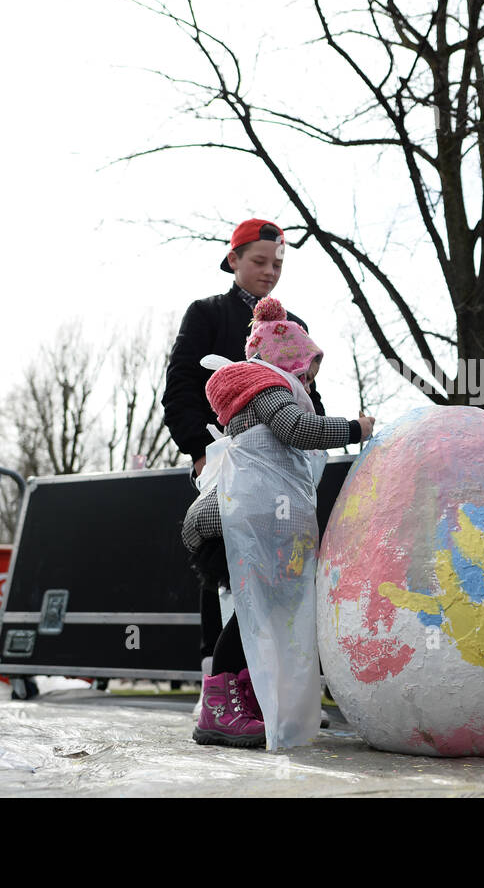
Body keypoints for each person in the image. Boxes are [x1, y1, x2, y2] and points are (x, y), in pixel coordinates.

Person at [183, 296, 373, 748]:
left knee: (265, 611)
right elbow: (299, 431)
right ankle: (218, 705)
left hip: (248, 522)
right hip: (230, 521)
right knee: (252, 612)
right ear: (287, 361)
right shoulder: (266, 389)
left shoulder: (269, 388)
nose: (308, 381)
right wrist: (354, 430)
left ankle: (245, 696)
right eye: (306, 371)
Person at [162, 218, 325, 699]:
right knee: (227, 568)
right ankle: (217, 683)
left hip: (282, 473)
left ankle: (269, 686)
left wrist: (321, 436)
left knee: (278, 569)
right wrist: (199, 452)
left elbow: (306, 395)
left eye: (278, 263)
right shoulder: (207, 314)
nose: (270, 271)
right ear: (233, 260)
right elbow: (180, 389)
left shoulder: (295, 327)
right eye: (258, 261)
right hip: (223, 460)